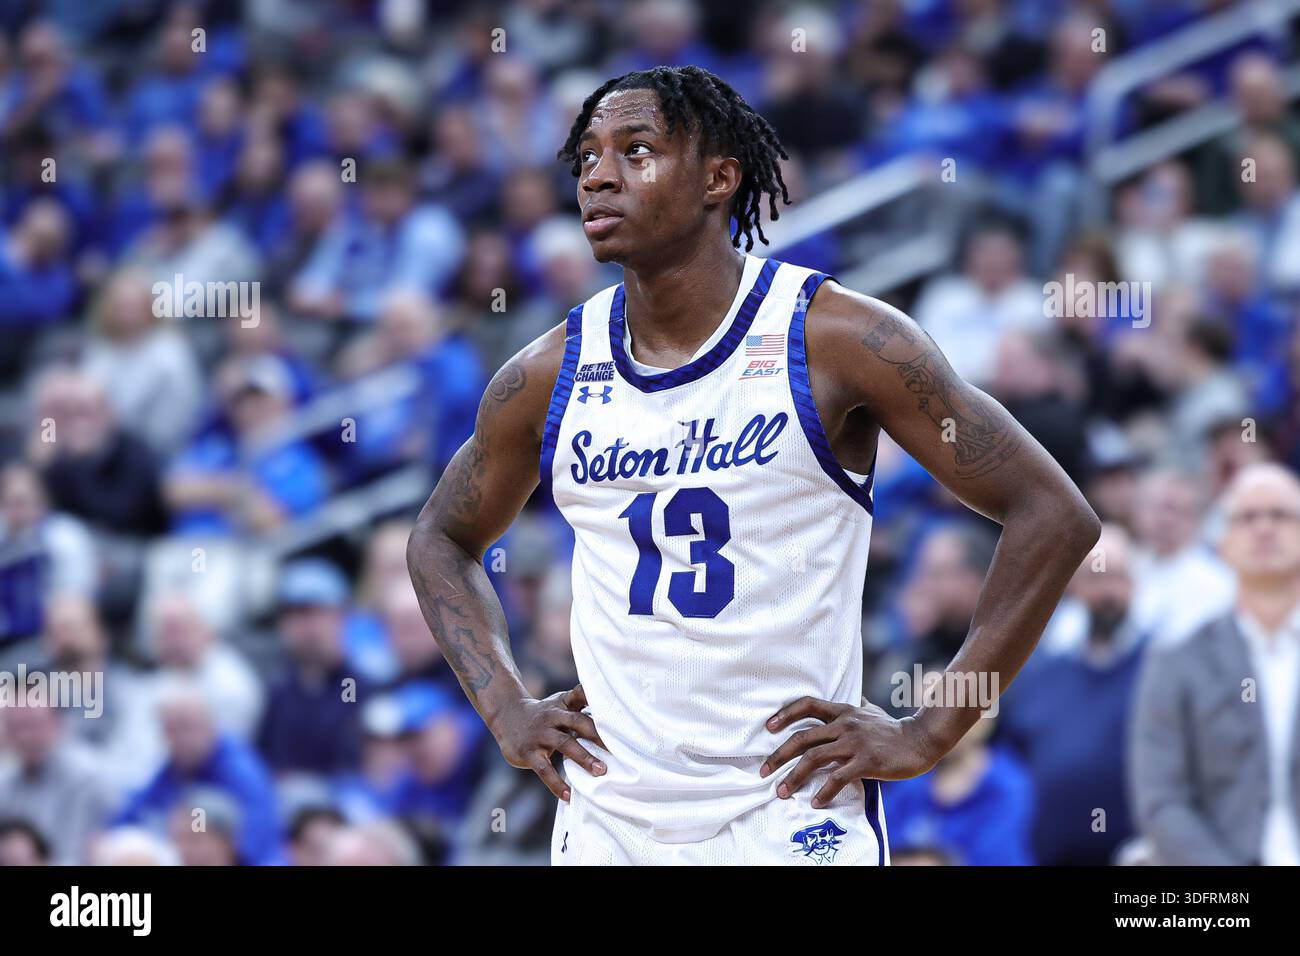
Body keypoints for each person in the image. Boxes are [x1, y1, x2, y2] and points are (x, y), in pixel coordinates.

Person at [407, 65, 1099, 866]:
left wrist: (931, 729)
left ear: (719, 179)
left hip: (787, 813)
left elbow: (1053, 514)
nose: (598, 175)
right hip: (610, 820)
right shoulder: (546, 373)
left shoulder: (838, 339)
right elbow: (439, 540)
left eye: (636, 150)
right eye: (588, 157)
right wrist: (507, 711)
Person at [1131, 462, 1300, 865]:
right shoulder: (1175, 660)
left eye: (1280, 514)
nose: (1264, 528)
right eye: (1247, 517)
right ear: (1221, 540)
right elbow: (1162, 800)